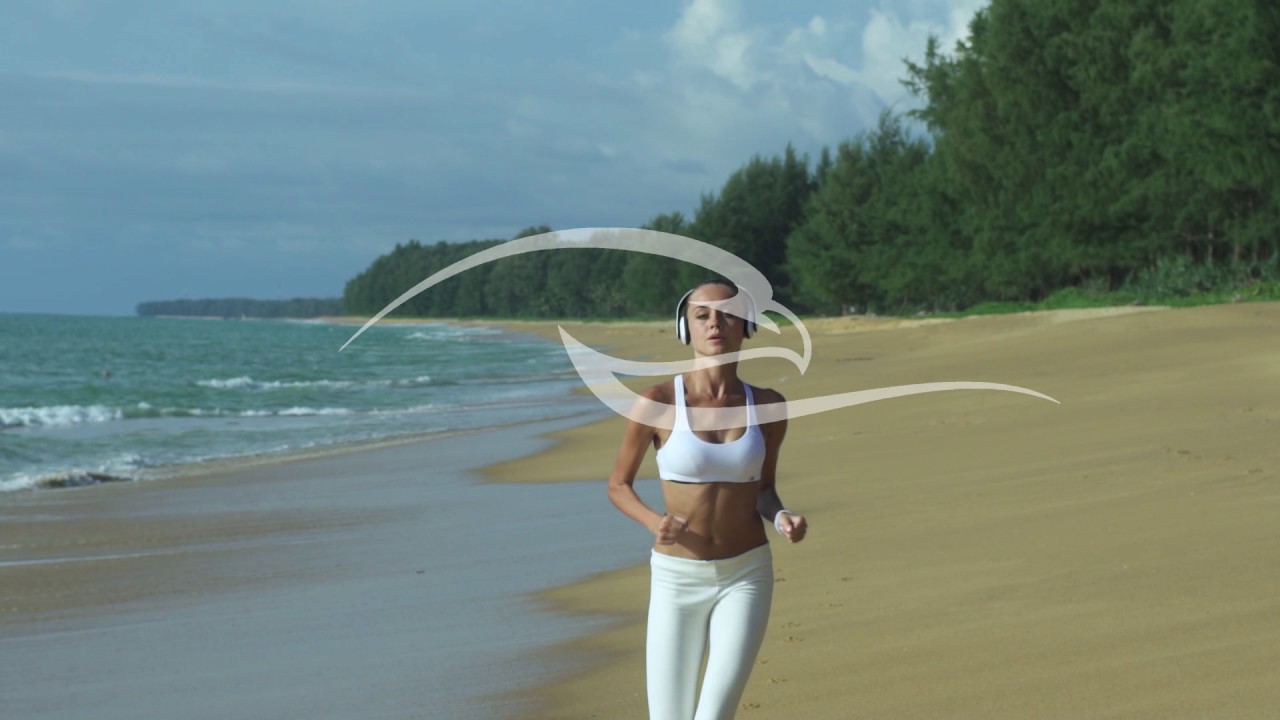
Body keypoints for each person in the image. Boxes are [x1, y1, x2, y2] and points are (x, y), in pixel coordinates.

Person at [608, 279, 808, 720]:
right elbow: (618, 485)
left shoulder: (769, 406)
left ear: (746, 326)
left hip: (746, 576)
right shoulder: (656, 402)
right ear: (686, 328)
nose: (715, 323)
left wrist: (783, 518)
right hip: (676, 579)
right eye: (702, 315)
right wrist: (652, 521)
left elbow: (764, 491)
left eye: (727, 314)